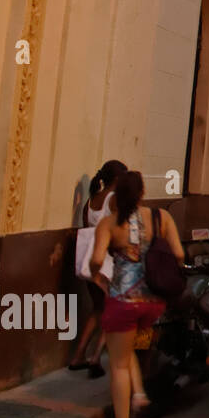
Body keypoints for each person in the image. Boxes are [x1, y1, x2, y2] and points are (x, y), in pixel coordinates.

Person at [90, 170, 184, 418]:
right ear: (143, 192)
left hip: (123, 302)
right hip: (154, 303)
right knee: (128, 347)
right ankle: (140, 392)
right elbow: (179, 254)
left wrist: (99, 278)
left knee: (118, 363)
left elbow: (96, 260)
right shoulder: (161, 217)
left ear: (116, 195)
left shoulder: (108, 223)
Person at [69, 159, 127, 378]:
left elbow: (87, 229)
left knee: (98, 308)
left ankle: (78, 355)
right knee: (111, 308)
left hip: (88, 262)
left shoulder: (91, 201)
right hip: (107, 261)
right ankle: (95, 357)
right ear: (118, 179)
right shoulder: (113, 200)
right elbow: (118, 228)